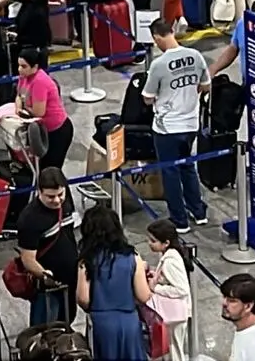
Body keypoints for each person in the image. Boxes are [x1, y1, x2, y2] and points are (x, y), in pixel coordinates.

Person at [142, 18, 210, 230]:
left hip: (167, 128)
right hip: (190, 125)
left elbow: (147, 97)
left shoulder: (159, 65)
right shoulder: (196, 56)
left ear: (156, 38)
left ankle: (179, 221)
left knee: (170, 172)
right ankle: (198, 211)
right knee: (188, 166)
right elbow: (206, 86)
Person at [76, 206, 149, 359]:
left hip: (101, 324)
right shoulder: (133, 257)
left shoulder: (86, 261)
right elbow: (143, 295)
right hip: (129, 322)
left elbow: (83, 298)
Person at [16, 166, 79, 327]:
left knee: (67, 320)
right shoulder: (29, 219)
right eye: (50, 197)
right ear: (39, 192)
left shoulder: (66, 199)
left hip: (71, 279)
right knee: (45, 328)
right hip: (47, 289)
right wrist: (46, 277)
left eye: (60, 195)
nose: (57, 201)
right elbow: (28, 259)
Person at [14, 47, 74, 170]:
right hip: (43, 130)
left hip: (57, 132)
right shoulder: (24, 76)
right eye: (19, 65)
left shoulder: (40, 82)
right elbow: (19, 95)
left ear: (35, 67)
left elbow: (38, 112)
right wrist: (19, 107)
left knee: (51, 172)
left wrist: (23, 108)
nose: (20, 69)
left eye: (24, 66)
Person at [146, 219, 193, 361]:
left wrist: (156, 287)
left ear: (165, 243)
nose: (149, 243)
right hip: (176, 312)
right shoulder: (170, 254)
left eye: (153, 241)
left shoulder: (170, 262)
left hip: (176, 314)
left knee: (174, 351)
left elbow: (181, 289)